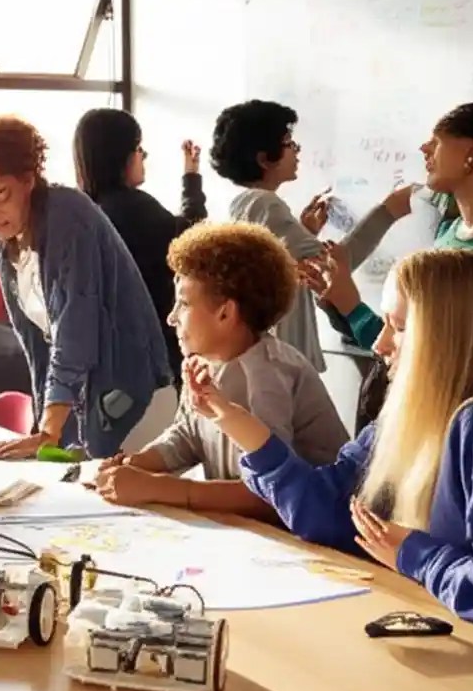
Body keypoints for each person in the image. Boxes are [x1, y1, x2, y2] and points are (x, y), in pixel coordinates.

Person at [190, 248, 473, 662]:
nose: (380, 344)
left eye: (398, 327)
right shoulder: (411, 419)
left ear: (448, 338)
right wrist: (233, 421)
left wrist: (418, 555)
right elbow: (328, 512)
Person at [301, 101, 473, 427]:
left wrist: (350, 304)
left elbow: (438, 352)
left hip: (460, 414)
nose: (424, 148)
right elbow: (397, 203)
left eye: (437, 141)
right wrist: (338, 282)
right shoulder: (449, 228)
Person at [0, 115, 174, 460]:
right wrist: (47, 430)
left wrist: (48, 428)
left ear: (28, 179)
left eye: (0, 194)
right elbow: (38, 350)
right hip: (86, 408)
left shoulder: (67, 215)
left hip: (131, 397)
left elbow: (75, 330)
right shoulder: (11, 240)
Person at [91, 223, 348, 516]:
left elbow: (268, 495)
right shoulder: (203, 363)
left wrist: (158, 487)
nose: (171, 318)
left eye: (184, 304)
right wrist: (136, 464)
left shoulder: (266, 378)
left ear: (226, 313)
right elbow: (187, 436)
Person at [73, 108, 207, 387]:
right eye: (138, 148)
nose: (143, 156)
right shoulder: (132, 207)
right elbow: (194, 239)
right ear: (119, 156)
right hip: (159, 355)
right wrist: (192, 181)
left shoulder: (87, 211)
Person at [210, 99, 329, 372]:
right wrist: (386, 212)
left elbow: (275, 262)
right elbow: (334, 267)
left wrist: (305, 232)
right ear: (264, 159)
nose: (297, 152)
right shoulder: (266, 205)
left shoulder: (245, 204)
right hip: (284, 362)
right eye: (289, 143)